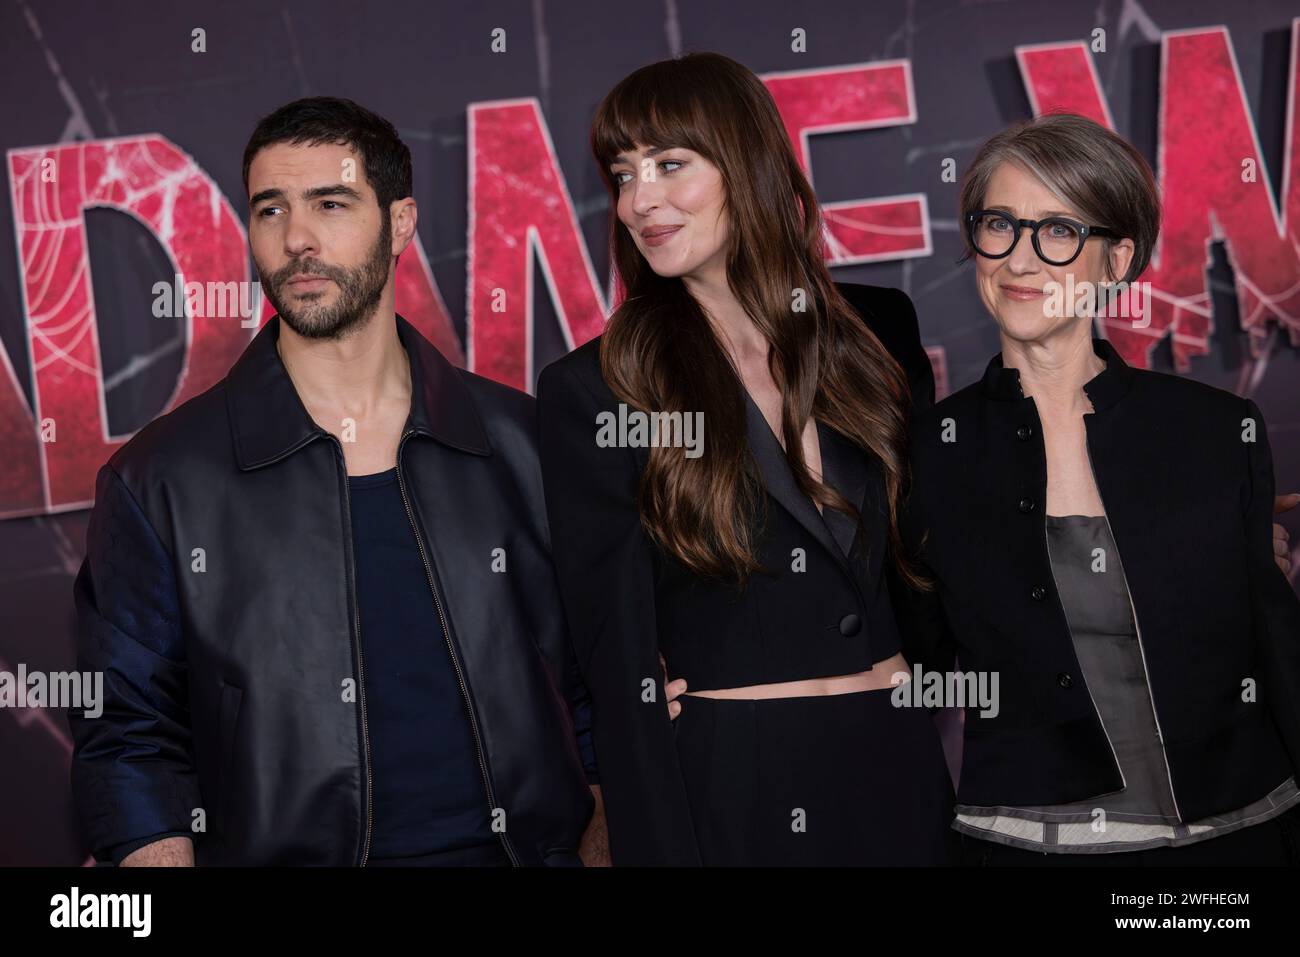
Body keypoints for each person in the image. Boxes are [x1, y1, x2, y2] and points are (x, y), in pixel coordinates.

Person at [69, 97, 604, 867]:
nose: (297, 240)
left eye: (331, 203)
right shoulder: (161, 481)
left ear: (400, 221)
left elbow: (599, 686)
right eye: (271, 209)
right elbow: (128, 738)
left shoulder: (522, 443)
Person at [537, 53, 956, 866]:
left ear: (746, 162)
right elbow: (615, 654)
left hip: (898, 762)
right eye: (622, 175)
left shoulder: (877, 330)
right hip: (736, 780)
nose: (639, 200)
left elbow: (933, 553)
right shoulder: (597, 388)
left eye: (668, 164)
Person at [898, 112, 1300, 865]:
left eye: (1057, 230)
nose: (1021, 258)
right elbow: (900, 665)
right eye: (1000, 225)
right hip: (1020, 843)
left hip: (1235, 849)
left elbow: (1279, 656)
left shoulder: (1218, 432)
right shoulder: (924, 456)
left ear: (1116, 260)